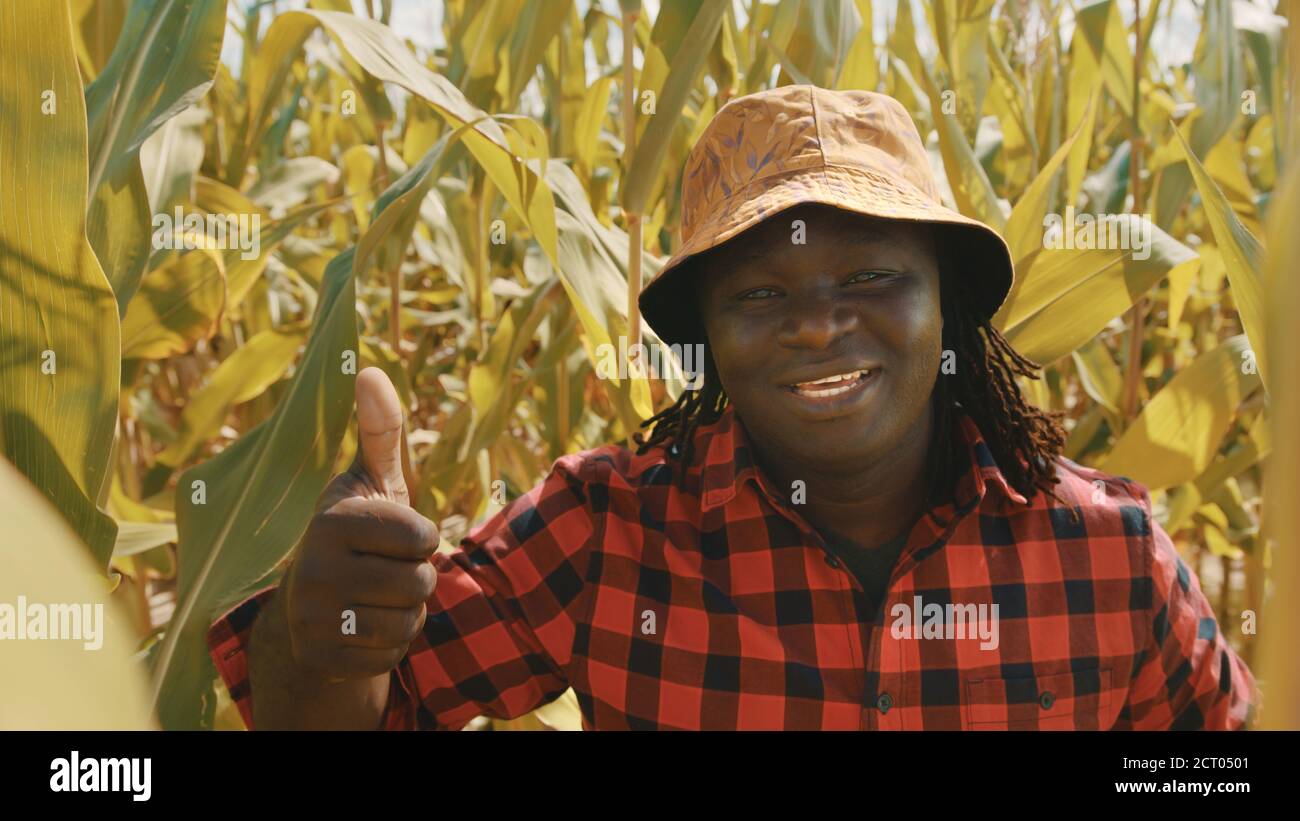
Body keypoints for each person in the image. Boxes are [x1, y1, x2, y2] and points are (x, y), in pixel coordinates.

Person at [207, 85, 1255, 730]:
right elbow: (350, 714)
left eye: (872, 279)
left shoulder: (1106, 555)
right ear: (706, 341)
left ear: (951, 309)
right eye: (761, 293)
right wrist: (326, 632)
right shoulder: (606, 531)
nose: (814, 325)